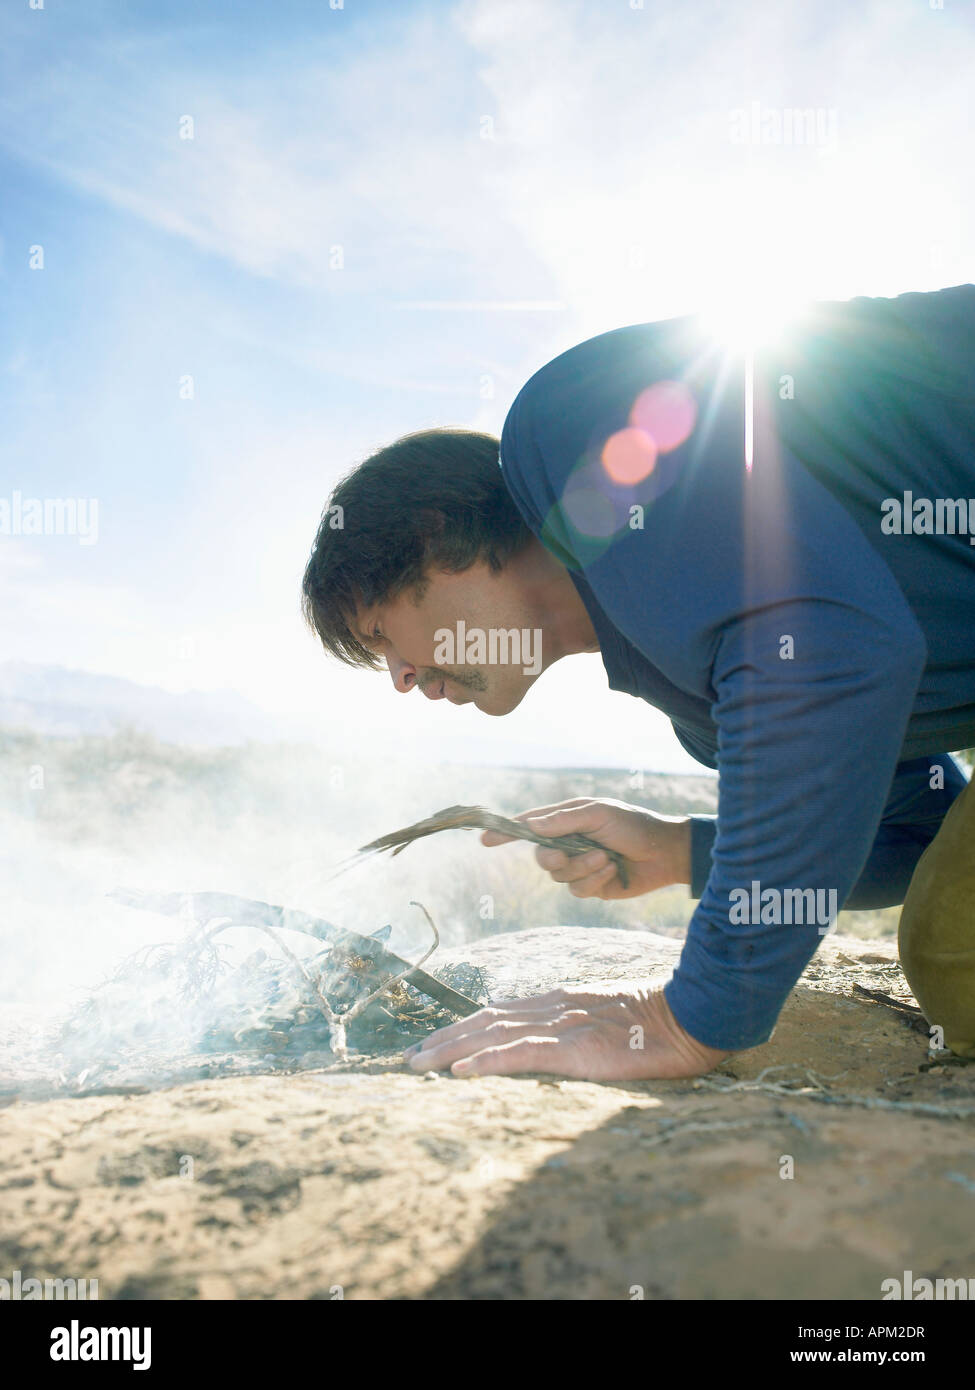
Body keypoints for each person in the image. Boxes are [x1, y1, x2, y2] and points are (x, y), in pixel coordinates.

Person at [301, 283, 975, 1080]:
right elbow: (910, 833)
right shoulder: (708, 705)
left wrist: (691, 1018)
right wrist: (678, 849)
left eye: (382, 636)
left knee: (957, 953)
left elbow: (834, 651)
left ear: (438, 537)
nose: (403, 681)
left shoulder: (569, 432)